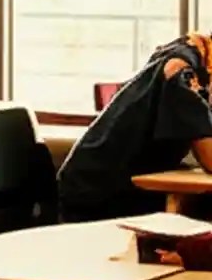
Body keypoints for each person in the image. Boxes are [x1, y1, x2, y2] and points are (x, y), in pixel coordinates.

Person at [58, 33, 212, 223]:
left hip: (129, 187)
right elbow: (209, 157)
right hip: (100, 193)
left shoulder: (199, 54)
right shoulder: (181, 69)